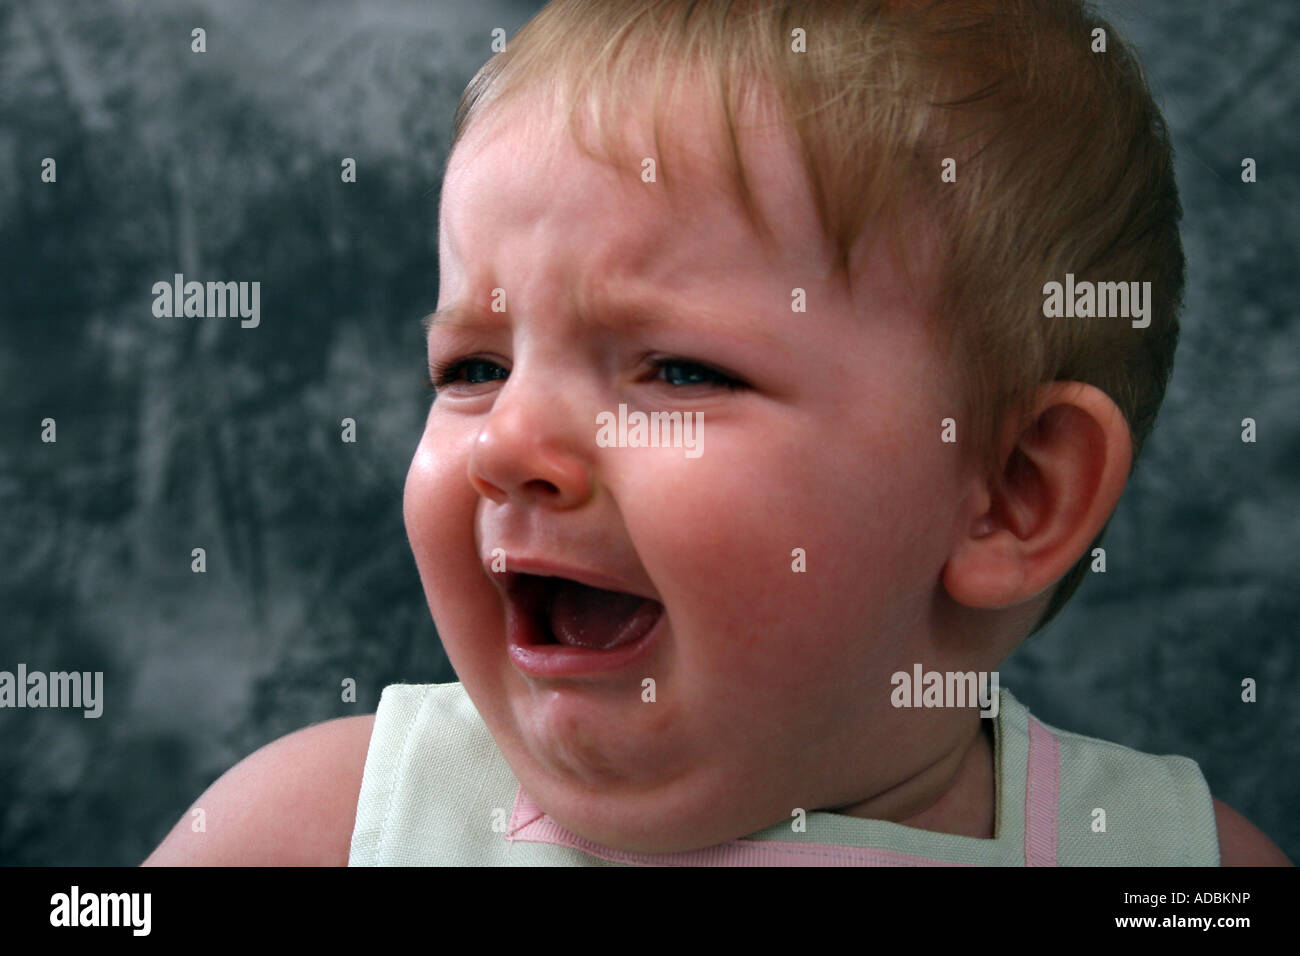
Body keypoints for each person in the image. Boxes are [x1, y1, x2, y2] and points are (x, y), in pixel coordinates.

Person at [144, 0, 1290, 866]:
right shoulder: (324, 830)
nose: (506, 442)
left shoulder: (1164, 860)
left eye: (678, 368)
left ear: (1008, 492)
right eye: (474, 367)